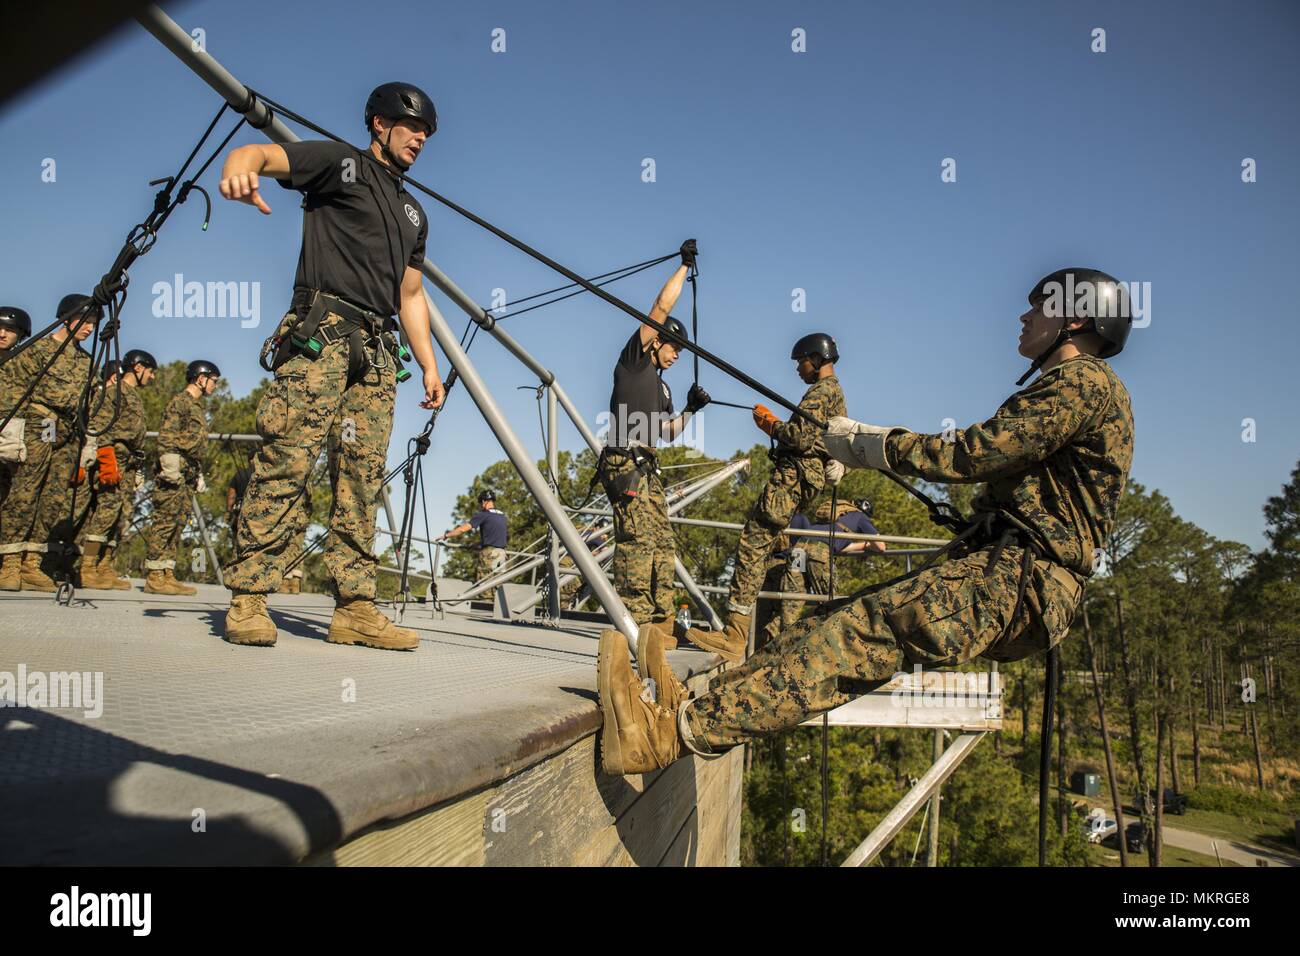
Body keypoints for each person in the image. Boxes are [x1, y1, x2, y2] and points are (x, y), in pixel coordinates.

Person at [598, 268, 1136, 775]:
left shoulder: (1082, 381)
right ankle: (691, 704)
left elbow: (973, 453)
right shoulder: (1078, 385)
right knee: (824, 624)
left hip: (1021, 579)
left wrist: (875, 445)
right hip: (1007, 570)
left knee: (861, 635)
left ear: (1075, 318)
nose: (1024, 318)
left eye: (1038, 307)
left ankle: (674, 731)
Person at [218, 82, 447, 650]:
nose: (419, 138)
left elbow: (411, 295)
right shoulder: (340, 164)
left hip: (376, 352)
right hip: (322, 336)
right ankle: (249, 597)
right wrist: (240, 167)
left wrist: (429, 365)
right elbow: (267, 154)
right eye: (409, 126)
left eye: (425, 133)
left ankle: (355, 608)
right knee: (287, 458)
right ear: (378, 124)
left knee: (361, 479)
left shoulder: (414, 213)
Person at [679, 332, 846, 662]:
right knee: (764, 545)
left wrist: (769, 425)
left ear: (817, 359)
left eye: (802, 362)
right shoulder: (836, 394)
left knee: (752, 544)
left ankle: (735, 635)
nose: (799, 369)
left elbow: (799, 437)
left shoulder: (821, 391)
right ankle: (745, 634)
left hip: (791, 480)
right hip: (802, 480)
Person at [598, 241, 710, 636]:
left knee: (663, 543)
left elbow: (668, 431)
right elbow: (660, 308)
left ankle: (661, 621)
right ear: (658, 341)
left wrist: (690, 411)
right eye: (674, 347)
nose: (677, 355)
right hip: (624, 460)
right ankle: (635, 621)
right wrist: (683, 266)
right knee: (637, 541)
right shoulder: (634, 362)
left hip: (648, 462)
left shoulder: (662, 390)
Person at [0, 295, 101, 591]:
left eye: (94, 324)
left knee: (54, 496)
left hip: (67, 430)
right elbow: (13, 387)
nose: (89, 329)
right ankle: (8, 562)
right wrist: (11, 428)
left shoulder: (86, 361)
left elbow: (90, 403)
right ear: (66, 318)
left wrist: (88, 442)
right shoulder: (38, 349)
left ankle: (32, 562)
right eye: (86, 322)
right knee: (26, 490)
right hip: (38, 422)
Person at [755, 499, 886, 649]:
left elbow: (840, 547)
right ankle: (824, 647)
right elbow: (881, 546)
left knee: (792, 602)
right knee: (829, 603)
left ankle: (777, 641)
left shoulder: (835, 512)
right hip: (819, 551)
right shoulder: (860, 517)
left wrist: (862, 545)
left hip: (799, 549)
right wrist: (868, 544)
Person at [78, 350, 156, 589]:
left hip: (129, 462)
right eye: (151, 372)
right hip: (115, 460)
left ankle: (104, 566)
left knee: (120, 514)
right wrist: (106, 458)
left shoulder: (132, 396)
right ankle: (87, 567)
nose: (152, 378)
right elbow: (100, 425)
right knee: (106, 510)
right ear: (138, 368)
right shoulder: (114, 393)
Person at [143, 359, 218, 595]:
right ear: (201, 378)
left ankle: (167, 572)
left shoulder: (196, 406)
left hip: (187, 472)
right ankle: (154, 576)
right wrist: (169, 466)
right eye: (213, 381)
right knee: (165, 521)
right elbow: (167, 435)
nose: (215, 386)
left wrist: (197, 472)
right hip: (173, 471)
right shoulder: (180, 402)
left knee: (178, 522)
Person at [226, 464, 307, 593]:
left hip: (246, 515)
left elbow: (231, 494)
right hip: (287, 516)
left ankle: (242, 579)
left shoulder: (244, 473)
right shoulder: (275, 472)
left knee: (243, 546)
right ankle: (290, 582)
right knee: (289, 545)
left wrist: (229, 512)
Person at [440, 490, 508, 606]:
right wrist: (478, 543)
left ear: (483, 501)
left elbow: (464, 528)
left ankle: (485, 609)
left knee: (484, 583)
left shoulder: (483, 514)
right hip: (502, 553)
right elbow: (494, 535)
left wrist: (447, 535)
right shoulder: (502, 516)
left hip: (489, 554)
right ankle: (498, 611)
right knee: (498, 584)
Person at [0, 306, 32, 510]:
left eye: (9, 329)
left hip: (9, 449)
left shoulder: (25, 366)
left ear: (20, 334)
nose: (2, 334)